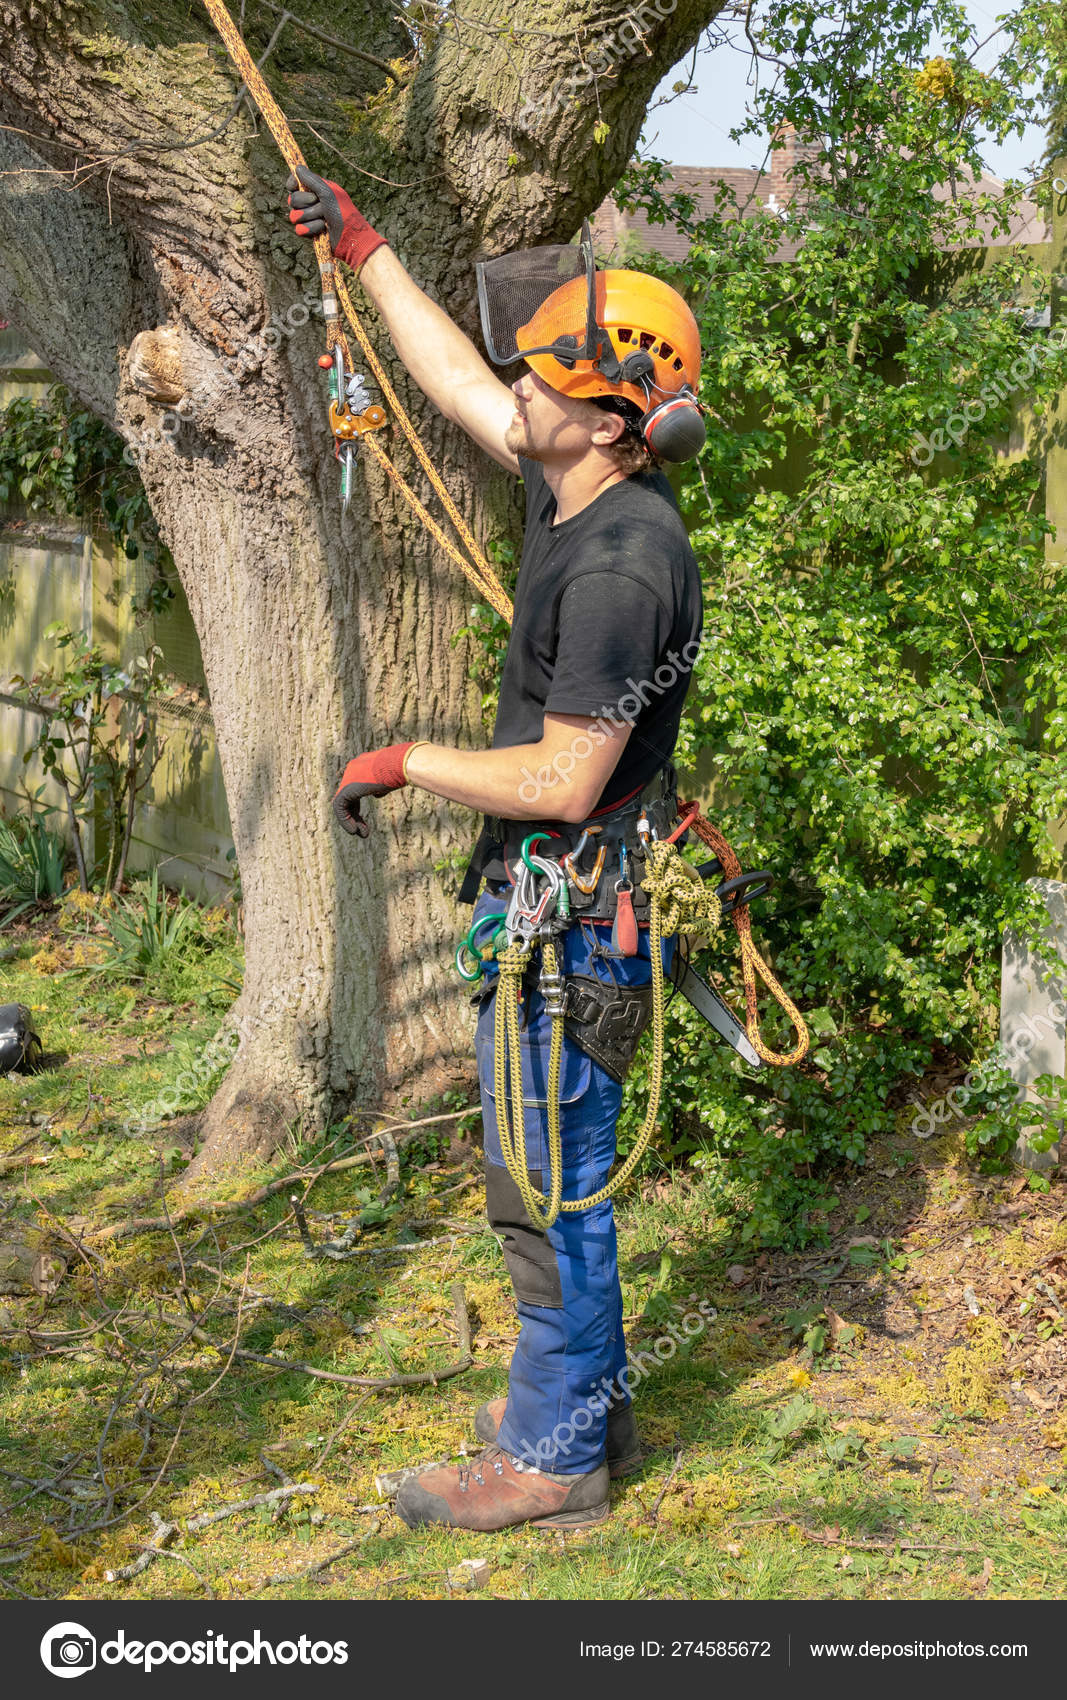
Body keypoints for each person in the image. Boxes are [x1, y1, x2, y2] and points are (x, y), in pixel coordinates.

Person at [285, 172, 705, 1531]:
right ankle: (590, 1402)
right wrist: (370, 254)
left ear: (605, 417)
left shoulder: (619, 570)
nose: (514, 395)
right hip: (559, 911)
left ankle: (553, 1458)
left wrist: (405, 760)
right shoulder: (578, 485)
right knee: (555, 1184)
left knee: (546, 1196)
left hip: (577, 917)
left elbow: (565, 776)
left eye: (543, 383)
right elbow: (462, 381)